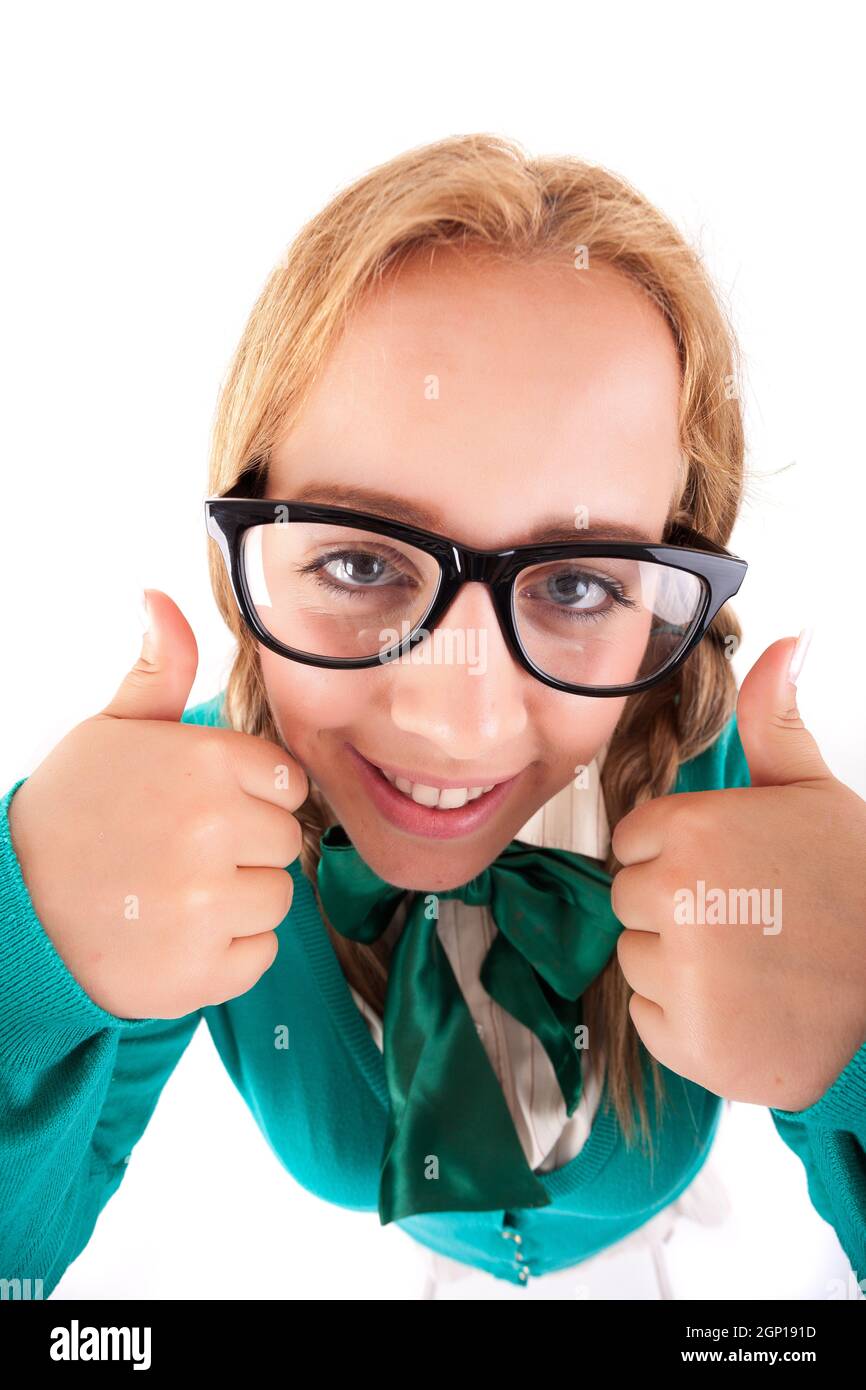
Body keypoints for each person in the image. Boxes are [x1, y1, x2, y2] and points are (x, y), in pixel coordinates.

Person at [2, 134, 864, 1299]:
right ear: (242, 550)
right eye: (360, 562)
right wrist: (24, 957)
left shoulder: (756, 844)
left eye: (576, 584)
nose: (456, 722)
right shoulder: (166, 837)